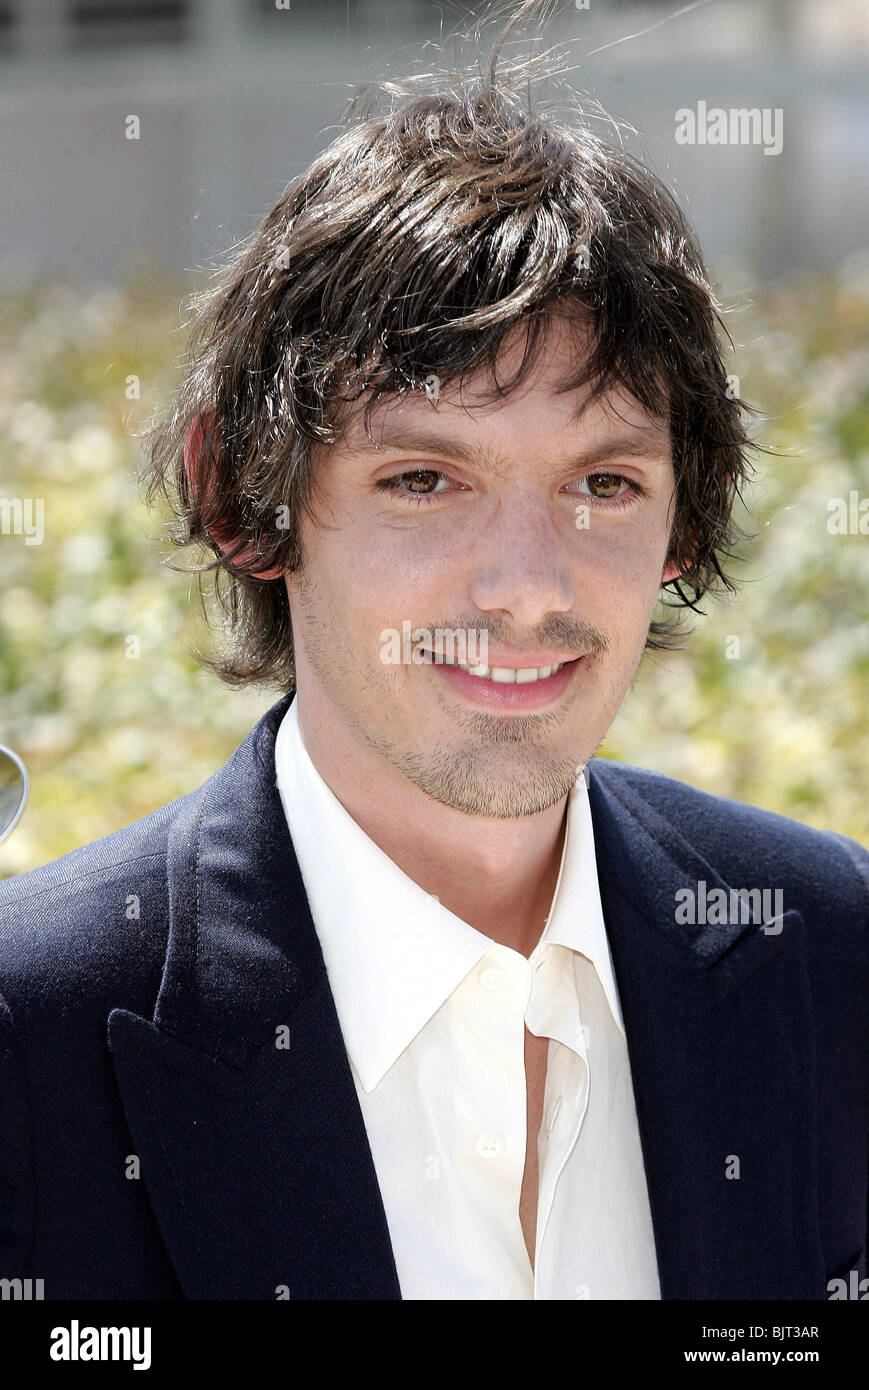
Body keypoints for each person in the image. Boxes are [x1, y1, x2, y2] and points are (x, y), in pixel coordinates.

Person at [1, 7, 866, 1302]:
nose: (528, 587)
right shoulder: (32, 1032)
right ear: (242, 495)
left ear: (683, 522)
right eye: (423, 478)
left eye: (603, 484)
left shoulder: (831, 948)